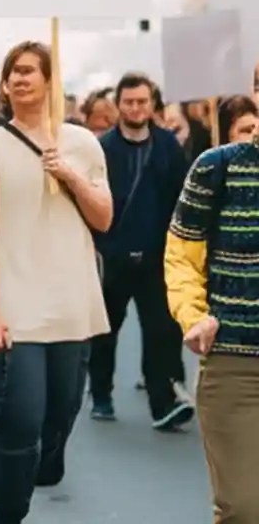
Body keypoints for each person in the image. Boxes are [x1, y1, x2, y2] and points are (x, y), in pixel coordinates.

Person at [0, 42, 112, 524]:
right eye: (12, 72)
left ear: (52, 80)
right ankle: (4, 515)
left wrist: (67, 172)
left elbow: (104, 218)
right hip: (18, 305)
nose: (20, 79)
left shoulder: (83, 143)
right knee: (19, 420)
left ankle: (43, 464)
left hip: (73, 303)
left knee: (61, 414)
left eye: (30, 71)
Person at [165, 117, 259, 522]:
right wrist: (193, 315)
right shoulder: (215, 167)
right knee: (243, 508)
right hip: (236, 363)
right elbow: (181, 257)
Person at [89, 73, 192, 428]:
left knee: (161, 331)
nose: (136, 108)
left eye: (142, 101)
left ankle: (162, 404)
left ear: (152, 104)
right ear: (119, 105)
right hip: (114, 256)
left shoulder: (167, 147)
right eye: (129, 102)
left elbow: (180, 200)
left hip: (156, 258)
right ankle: (100, 394)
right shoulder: (103, 149)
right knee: (105, 331)